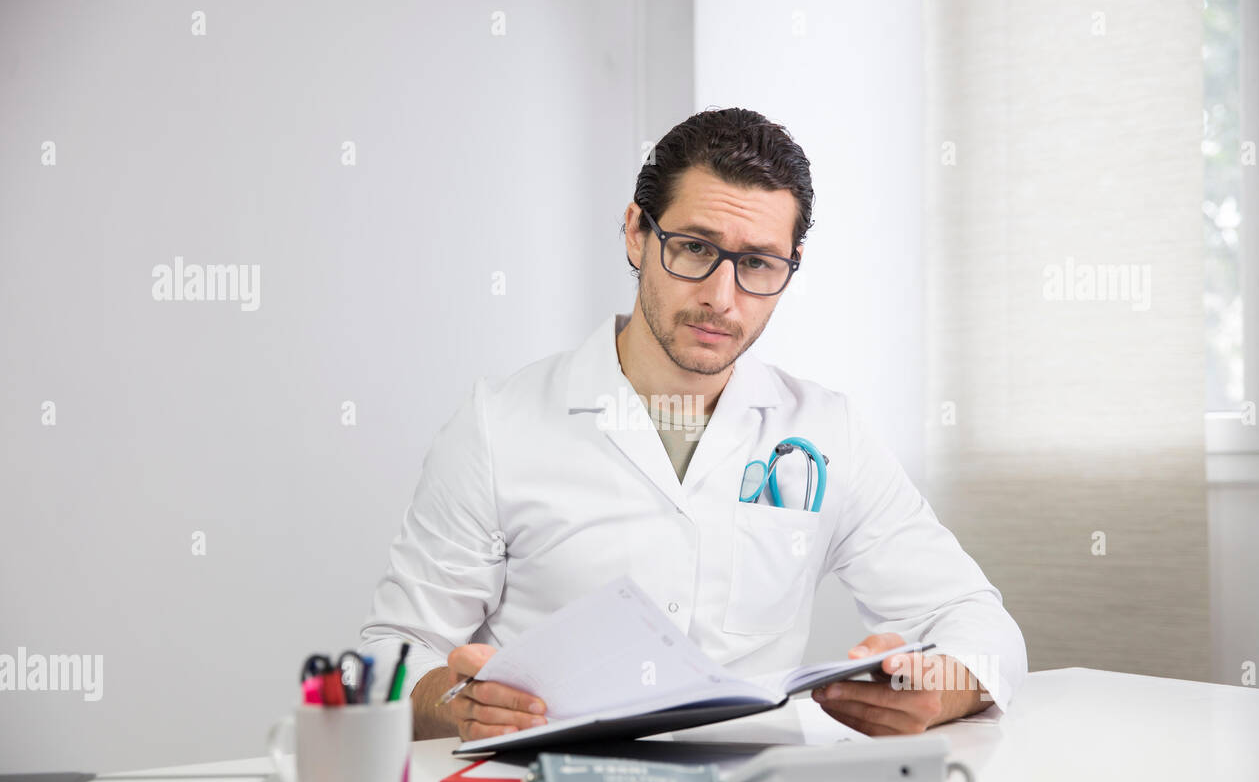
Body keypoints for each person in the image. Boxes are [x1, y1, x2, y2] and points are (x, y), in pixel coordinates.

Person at [360, 107, 1027, 742]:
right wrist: (457, 700)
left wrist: (943, 689)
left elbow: (976, 622)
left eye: (758, 263)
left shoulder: (827, 432)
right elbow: (386, 656)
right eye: (694, 248)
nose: (720, 296)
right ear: (635, 233)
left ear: (791, 267)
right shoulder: (499, 425)